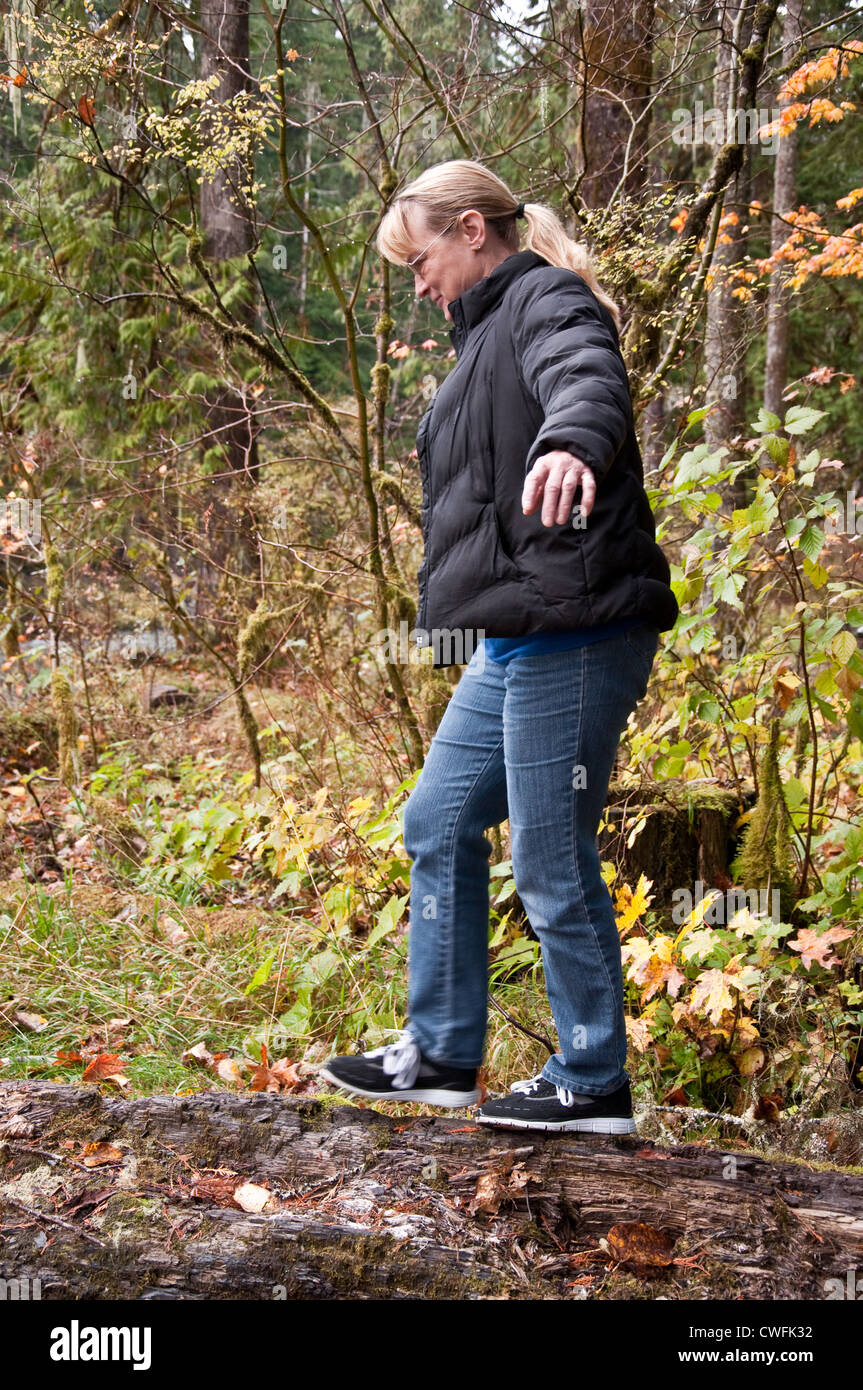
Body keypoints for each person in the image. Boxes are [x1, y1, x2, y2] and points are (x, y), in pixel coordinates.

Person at [320, 159, 678, 1132]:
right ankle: (439, 1052)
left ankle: (591, 1077)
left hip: (581, 623)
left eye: (421, 256)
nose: (417, 281)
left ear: (471, 228)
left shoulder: (546, 302)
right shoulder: (478, 339)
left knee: (548, 853)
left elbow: (586, 378)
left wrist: (569, 441)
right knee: (435, 820)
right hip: (519, 634)